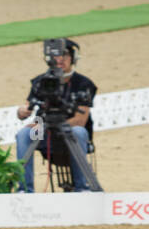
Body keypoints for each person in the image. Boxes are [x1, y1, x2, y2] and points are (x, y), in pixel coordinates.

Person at [14, 38, 97, 192]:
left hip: (69, 134)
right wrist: (21, 112)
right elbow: (27, 107)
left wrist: (50, 126)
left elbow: (80, 120)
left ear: (73, 58)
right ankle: (24, 189)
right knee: (24, 134)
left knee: (78, 132)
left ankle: (82, 188)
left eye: (64, 55)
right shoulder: (41, 81)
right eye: (55, 56)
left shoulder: (84, 84)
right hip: (46, 136)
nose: (59, 60)